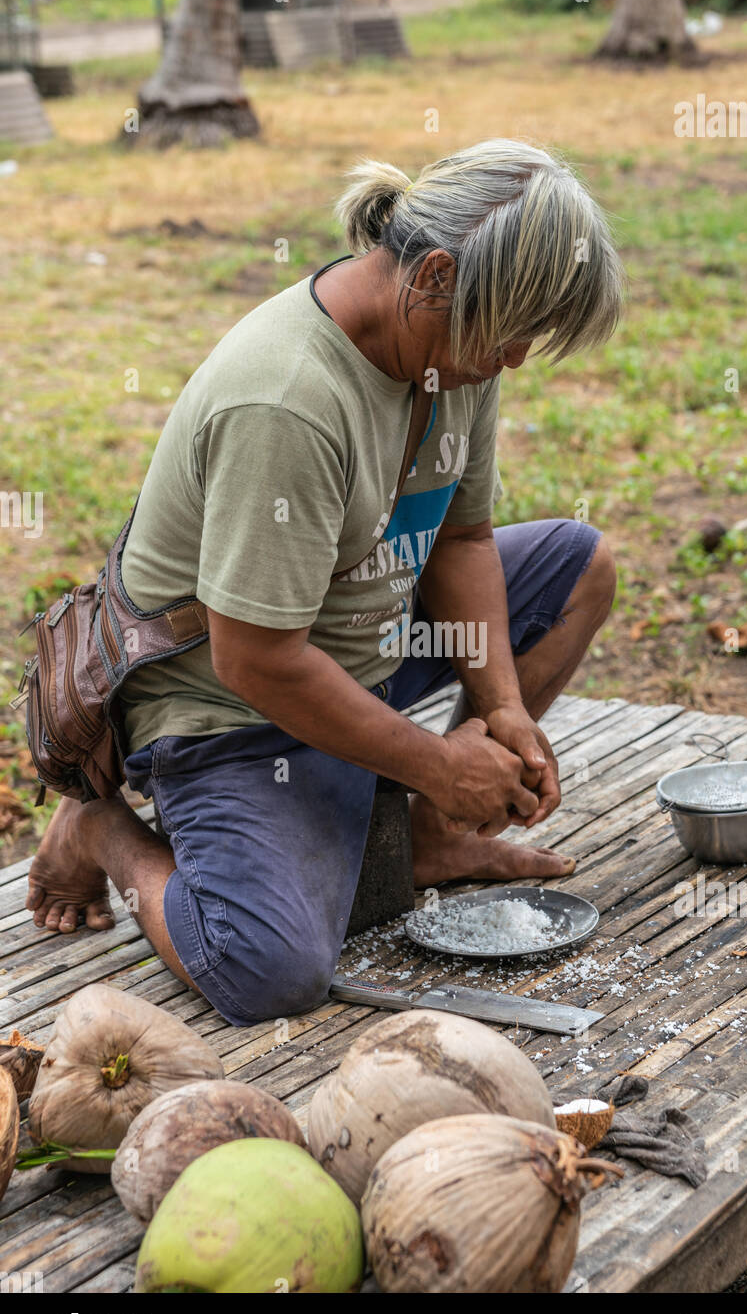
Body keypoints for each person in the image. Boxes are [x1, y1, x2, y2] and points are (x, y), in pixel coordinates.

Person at [26, 139, 623, 1027]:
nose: (515, 359)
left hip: (357, 638)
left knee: (579, 567)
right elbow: (255, 660)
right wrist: (433, 760)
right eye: (509, 332)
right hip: (226, 703)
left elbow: (462, 537)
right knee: (263, 971)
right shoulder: (285, 400)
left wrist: (500, 707)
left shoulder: (453, 343)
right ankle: (103, 831)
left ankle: (431, 835)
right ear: (431, 276)